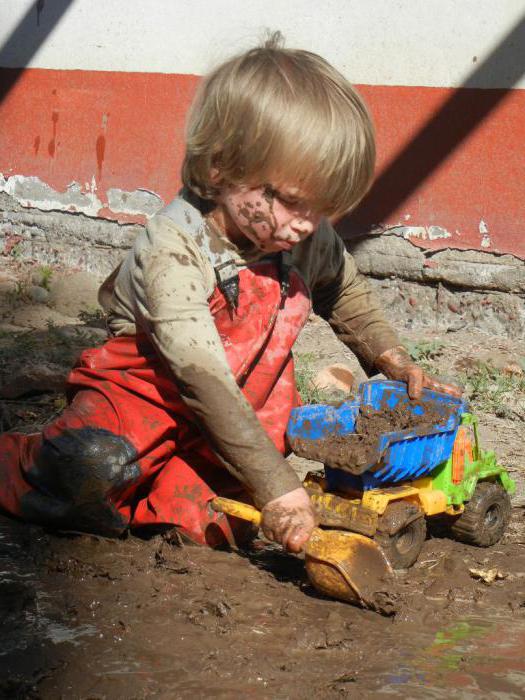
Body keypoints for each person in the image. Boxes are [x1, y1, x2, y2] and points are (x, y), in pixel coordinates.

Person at [0, 35, 459, 553]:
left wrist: (389, 356)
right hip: (147, 391)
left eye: (322, 211)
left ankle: (167, 497)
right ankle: (21, 460)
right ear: (221, 167)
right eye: (291, 202)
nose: (305, 226)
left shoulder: (304, 234)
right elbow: (204, 382)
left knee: (214, 523)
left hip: (248, 405)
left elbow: (343, 287)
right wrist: (279, 487)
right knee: (86, 469)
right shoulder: (173, 248)